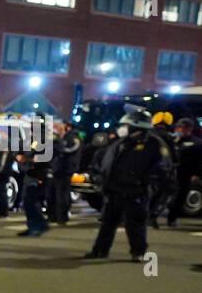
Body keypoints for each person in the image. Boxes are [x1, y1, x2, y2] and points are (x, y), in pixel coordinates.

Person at [85, 108, 168, 261]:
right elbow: (108, 164)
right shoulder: (121, 143)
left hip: (136, 192)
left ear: (137, 127)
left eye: (126, 125)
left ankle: (138, 252)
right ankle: (100, 251)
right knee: (107, 224)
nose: (122, 128)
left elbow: (162, 169)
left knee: (135, 224)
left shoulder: (153, 144)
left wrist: (147, 187)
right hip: (114, 190)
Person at [15, 130, 51, 237]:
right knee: (27, 202)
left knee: (32, 201)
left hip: (38, 175)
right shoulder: (32, 140)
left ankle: (40, 224)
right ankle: (32, 225)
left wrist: (26, 159)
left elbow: (43, 158)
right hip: (30, 174)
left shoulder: (45, 140)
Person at [167, 118, 199, 228]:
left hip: (185, 173)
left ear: (189, 129)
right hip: (169, 173)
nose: (179, 129)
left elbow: (199, 160)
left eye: (182, 128)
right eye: (178, 127)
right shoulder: (171, 140)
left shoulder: (196, 142)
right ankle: (152, 216)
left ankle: (172, 219)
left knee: (180, 196)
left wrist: (197, 174)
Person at [49, 120, 80, 224]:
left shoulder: (72, 139)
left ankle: (62, 216)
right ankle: (53, 216)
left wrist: (58, 147)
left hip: (65, 170)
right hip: (55, 169)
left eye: (57, 127)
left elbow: (70, 151)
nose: (55, 129)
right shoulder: (54, 139)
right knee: (52, 194)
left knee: (62, 194)